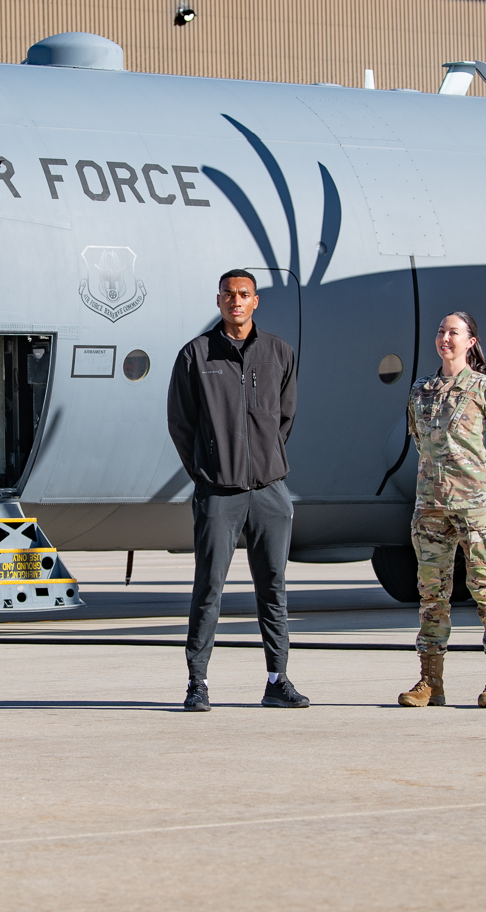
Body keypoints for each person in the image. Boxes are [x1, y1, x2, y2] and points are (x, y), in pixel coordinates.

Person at [167, 269, 305, 712]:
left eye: (244, 294)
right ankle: (197, 682)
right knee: (209, 587)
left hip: (269, 490)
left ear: (256, 301)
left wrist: (265, 462)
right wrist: (207, 470)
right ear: (219, 300)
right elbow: (181, 423)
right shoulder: (196, 355)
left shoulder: (278, 353)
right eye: (228, 295)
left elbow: (285, 417)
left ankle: (277, 679)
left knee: (274, 586)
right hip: (218, 492)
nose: (236, 301)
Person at [398, 311, 486, 709]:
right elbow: (420, 441)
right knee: (432, 595)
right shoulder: (421, 390)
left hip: (477, 508)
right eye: (441, 332)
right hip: (431, 507)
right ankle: (430, 681)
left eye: (453, 332)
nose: (444, 338)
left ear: (471, 341)